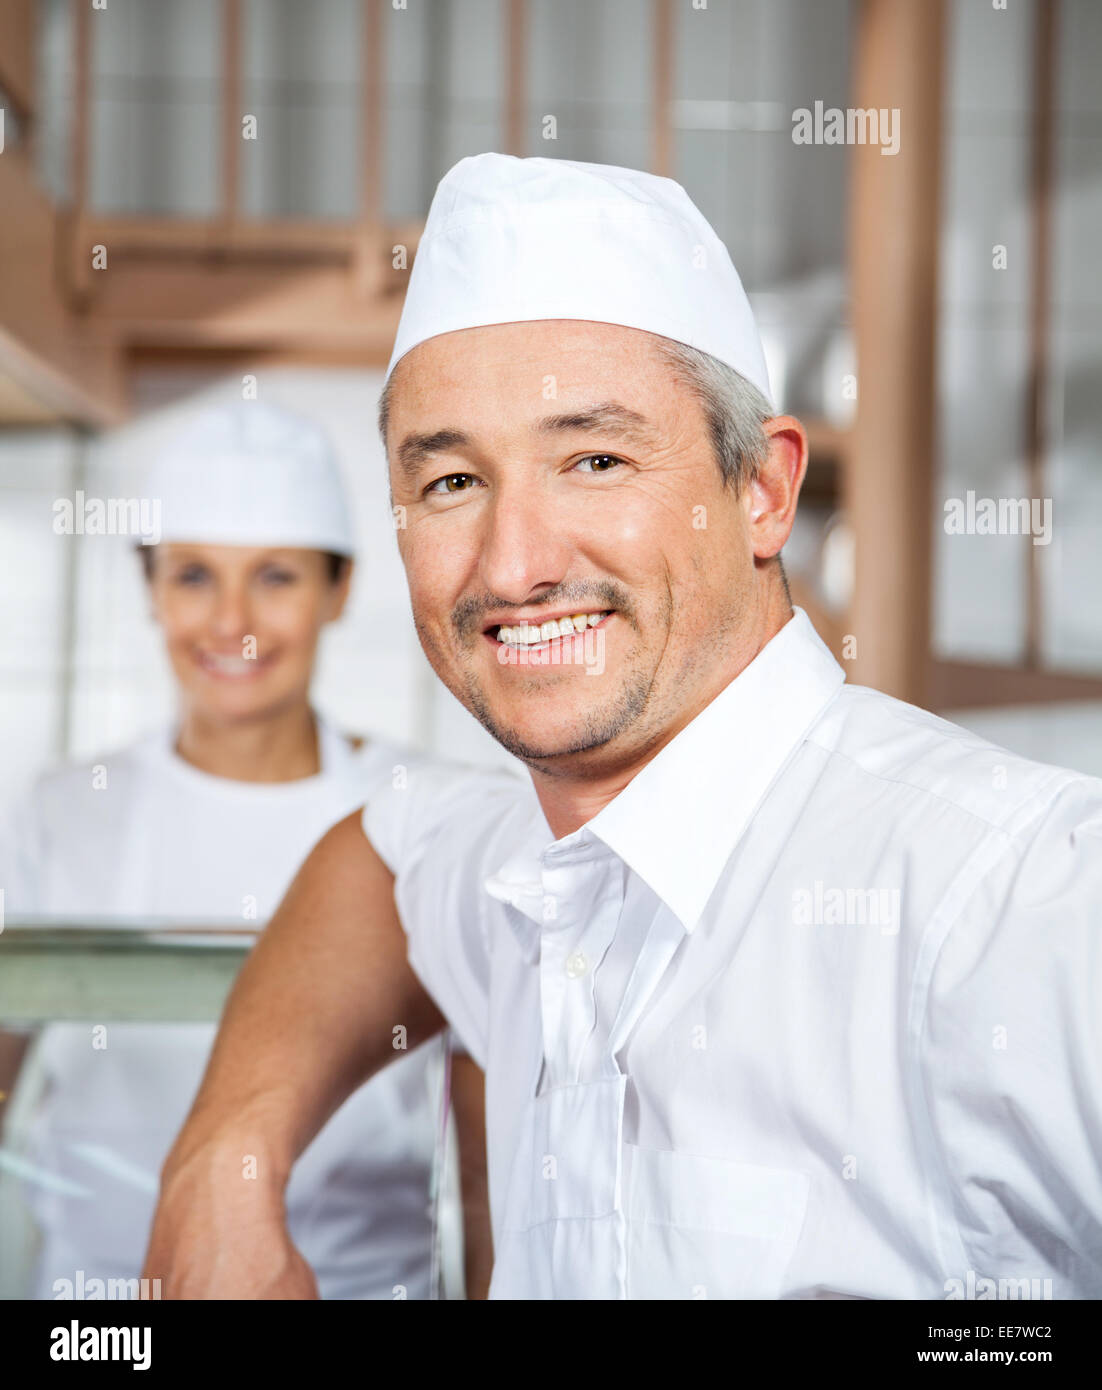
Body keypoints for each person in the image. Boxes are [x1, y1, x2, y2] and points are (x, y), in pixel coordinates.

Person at [144, 154, 1102, 1300]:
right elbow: (377, 859)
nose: (513, 564)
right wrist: (222, 1163)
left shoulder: (1013, 902)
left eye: (594, 460)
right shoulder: (526, 866)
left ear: (762, 491)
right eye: (451, 483)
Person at [0, 401, 490, 1300]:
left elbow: (485, 1160)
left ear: (338, 590)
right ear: (148, 589)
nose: (233, 622)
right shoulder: (63, 812)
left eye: (275, 578)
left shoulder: (426, 815)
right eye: (192, 576)